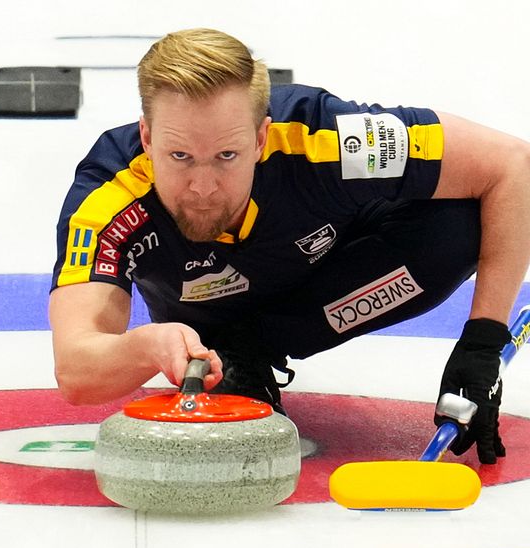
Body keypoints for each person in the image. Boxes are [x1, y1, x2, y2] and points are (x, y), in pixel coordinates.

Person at [49, 28, 530, 465]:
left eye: (227, 156)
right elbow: (76, 371)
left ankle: (261, 345)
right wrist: (144, 346)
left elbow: (513, 166)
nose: (202, 186)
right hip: (206, 326)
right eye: (180, 156)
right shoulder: (109, 198)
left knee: (459, 225)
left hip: (327, 285)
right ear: (147, 138)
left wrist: (482, 344)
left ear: (262, 137)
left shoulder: (324, 137)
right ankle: (236, 352)